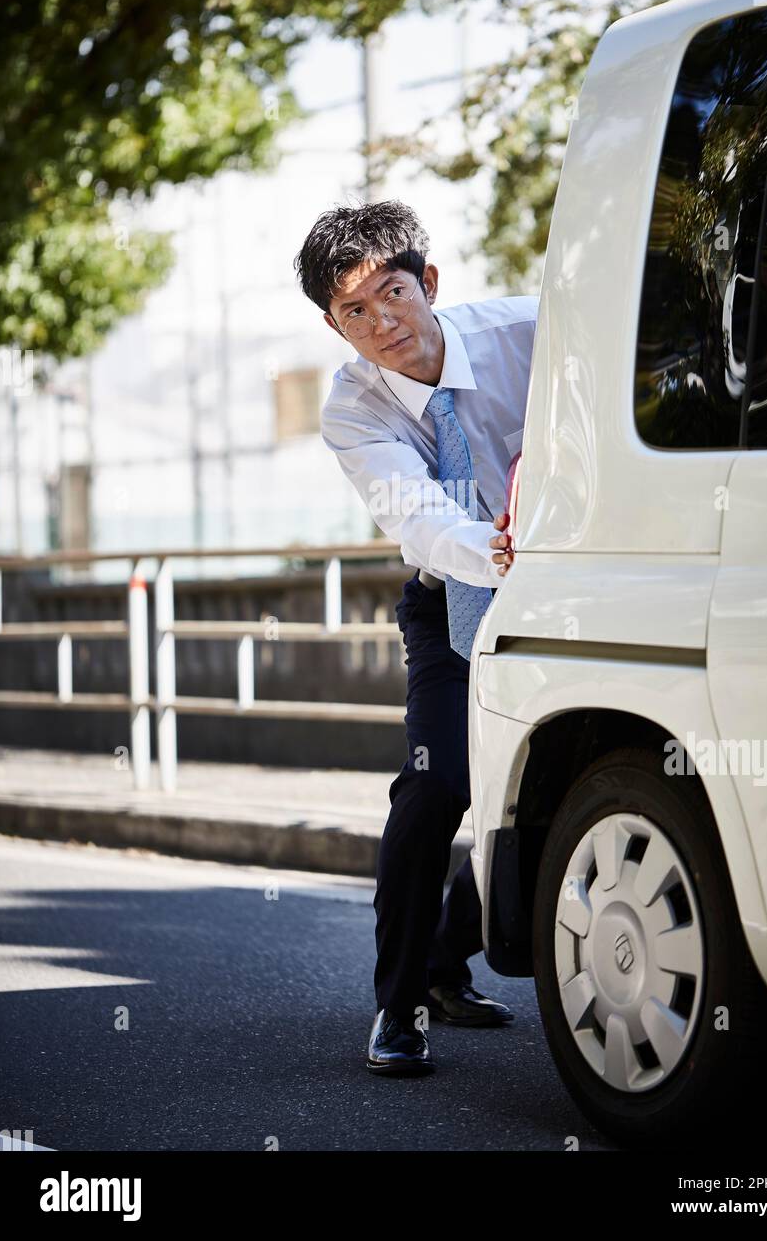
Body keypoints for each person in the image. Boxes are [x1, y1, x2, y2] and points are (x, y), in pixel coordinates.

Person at [294, 199, 537, 1074]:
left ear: (428, 282)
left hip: (567, 594)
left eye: (393, 293)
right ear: (334, 323)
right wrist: (495, 549)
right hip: (451, 597)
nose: (381, 322)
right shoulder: (352, 409)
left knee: (545, 791)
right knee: (439, 790)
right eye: (353, 312)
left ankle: (446, 959)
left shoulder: (531, 332)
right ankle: (399, 1005)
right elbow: (415, 514)